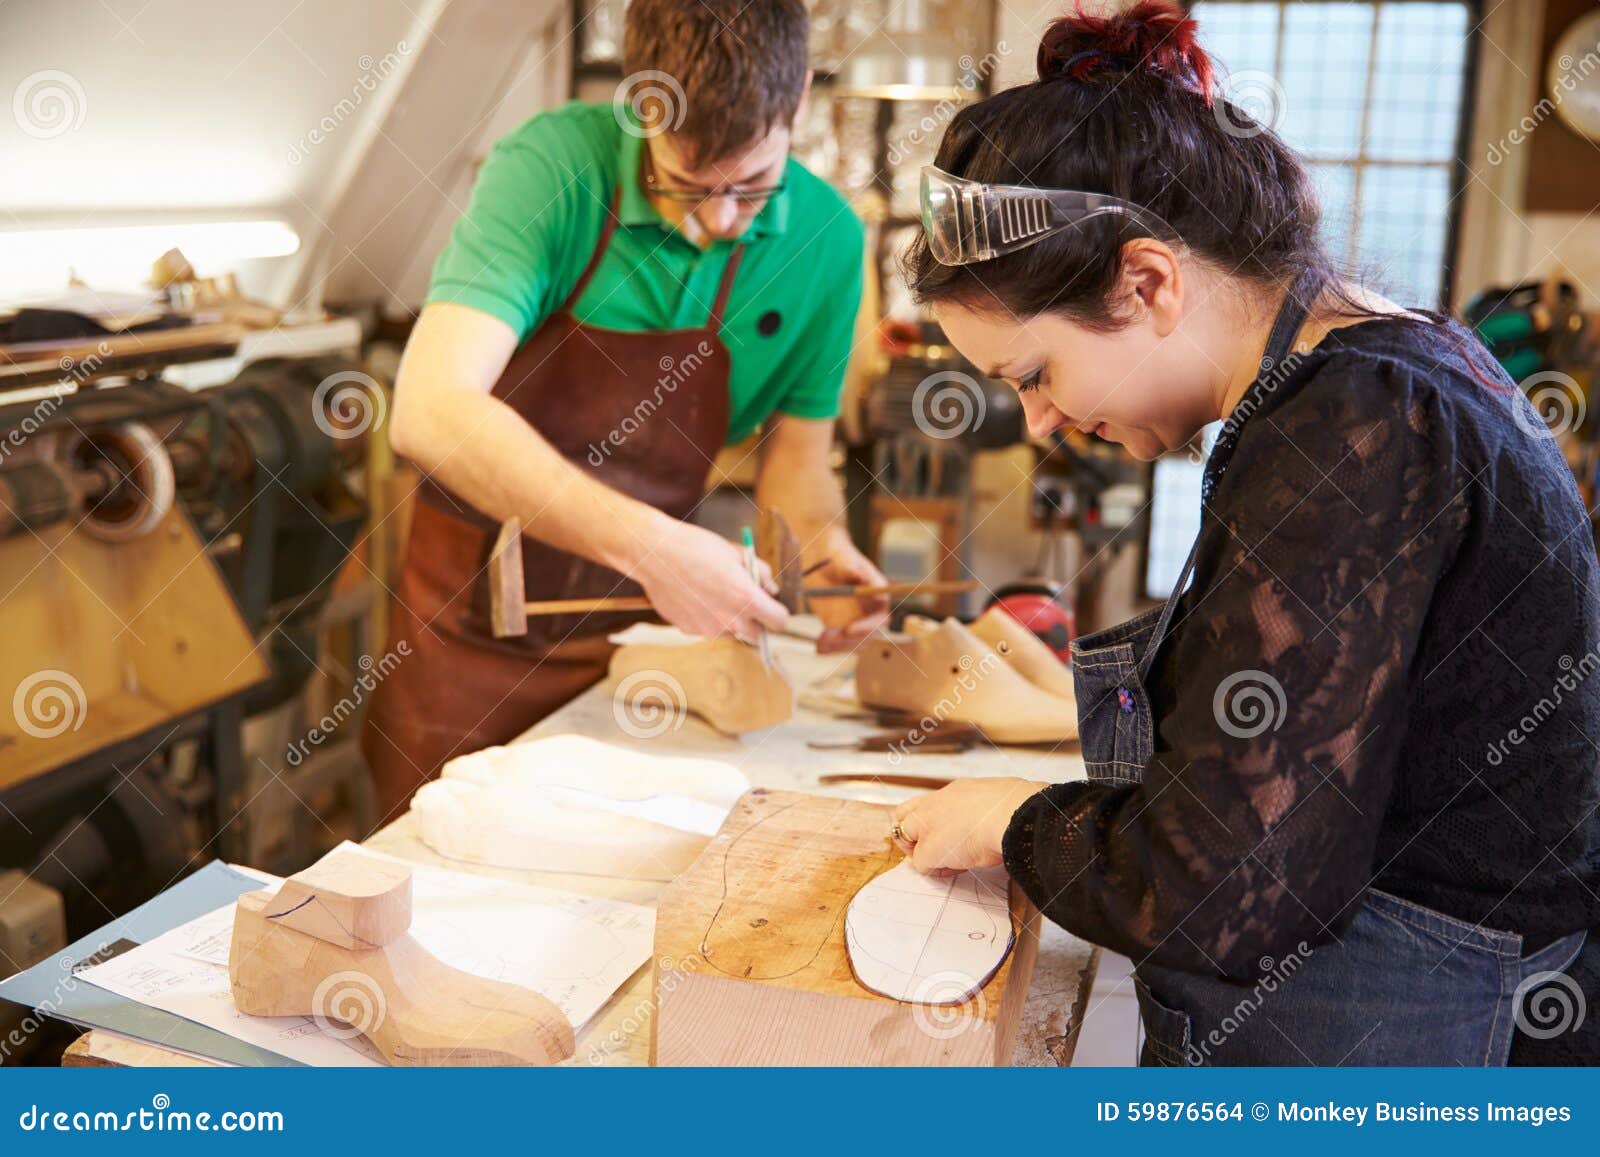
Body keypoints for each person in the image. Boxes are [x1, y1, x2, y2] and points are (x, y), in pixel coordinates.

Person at [891, 2, 1599, 1065]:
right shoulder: (1391, 363)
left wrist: (1018, 822)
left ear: (1148, 281)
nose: (1039, 420)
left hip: (1428, 1026)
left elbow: (1230, 887)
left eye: (1034, 374)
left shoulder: (1353, 423)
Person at [362, 0, 887, 813]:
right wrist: (654, 549)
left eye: (751, 190)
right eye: (687, 187)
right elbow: (430, 407)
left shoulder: (827, 240)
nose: (718, 221)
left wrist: (823, 557)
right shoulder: (551, 170)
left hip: (642, 652)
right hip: (465, 642)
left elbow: (798, 469)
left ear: (802, 99)